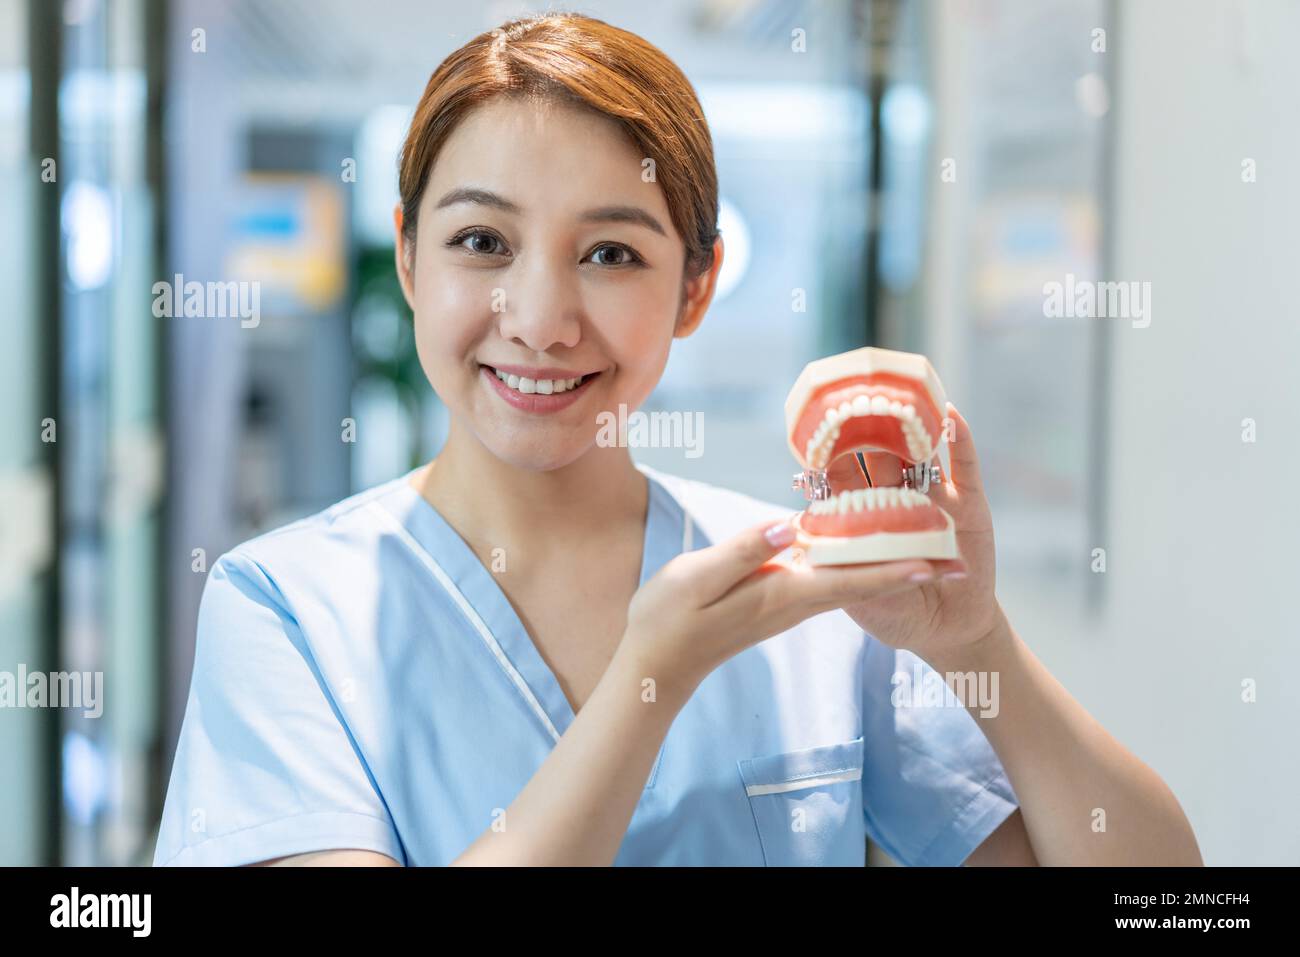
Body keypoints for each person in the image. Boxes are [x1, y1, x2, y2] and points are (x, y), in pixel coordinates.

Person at [152, 12, 1201, 867]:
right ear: (411, 257)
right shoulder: (283, 608)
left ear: (696, 285)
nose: (541, 318)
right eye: (482, 241)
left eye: (610, 252)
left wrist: (980, 649)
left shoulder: (816, 600)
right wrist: (648, 683)